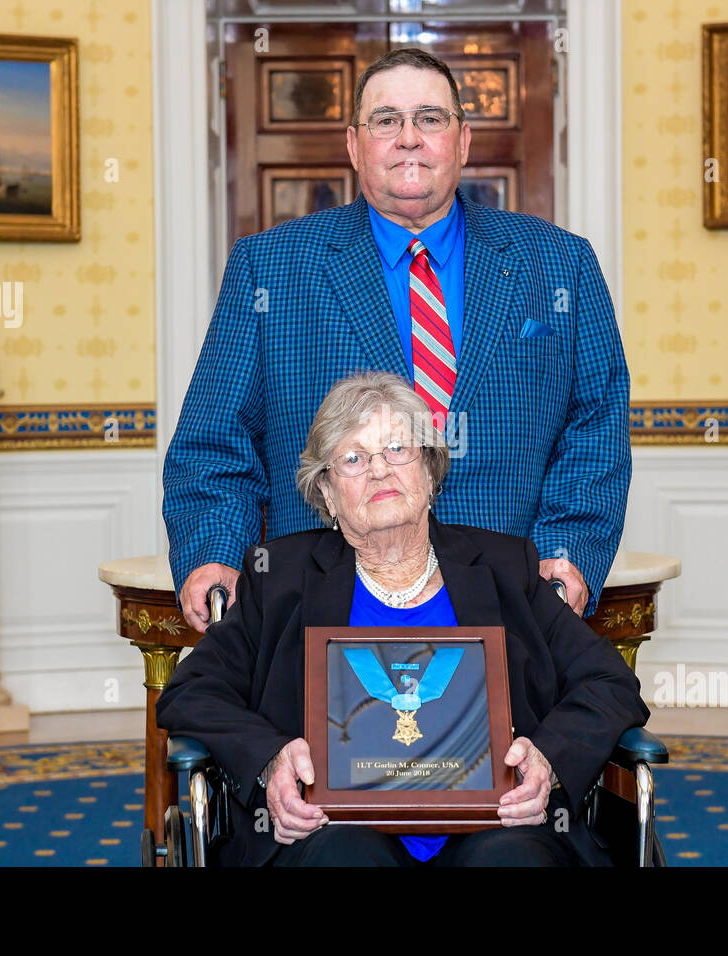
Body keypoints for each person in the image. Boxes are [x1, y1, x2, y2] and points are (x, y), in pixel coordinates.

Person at [164, 48, 630, 631]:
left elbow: (596, 426)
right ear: (355, 145)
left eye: (430, 119)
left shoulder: (561, 263)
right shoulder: (270, 267)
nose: (409, 138)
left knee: (518, 729)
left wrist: (568, 548)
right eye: (386, 121)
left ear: (462, 141)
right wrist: (214, 552)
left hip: (514, 601)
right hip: (326, 602)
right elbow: (214, 440)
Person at [155, 373, 649, 866]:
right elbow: (192, 690)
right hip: (334, 827)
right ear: (327, 493)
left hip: (495, 823)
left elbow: (609, 682)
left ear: (430, 471)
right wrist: (271, 760)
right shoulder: (281, 578)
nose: (378, 471)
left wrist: (547, 759)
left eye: (397, 449)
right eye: (353, 459)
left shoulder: (504, 567)